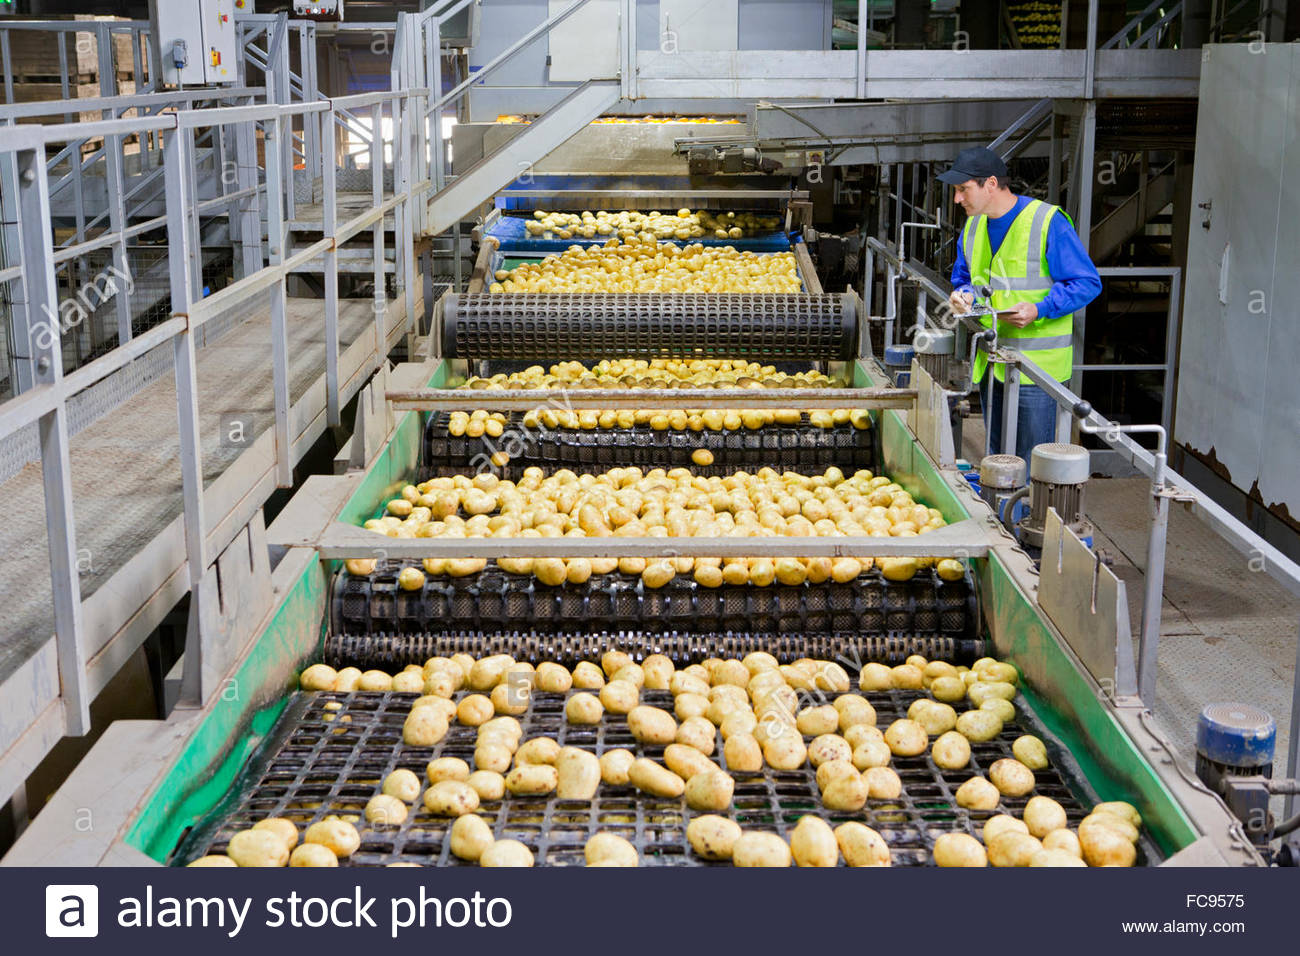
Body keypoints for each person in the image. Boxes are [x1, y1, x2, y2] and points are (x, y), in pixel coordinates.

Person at [938, 147, 1101, 461]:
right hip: (993, 365)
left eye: (963, 190)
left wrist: (1040, 309)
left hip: (1036, 372)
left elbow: (1086, 283)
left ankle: (1024, 512)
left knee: (1031, 463)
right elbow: (965, 276)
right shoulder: (972, 228)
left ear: (991, 184)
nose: (957, 199)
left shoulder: (1046, 221)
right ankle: (1001, 511)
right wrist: (963, 295)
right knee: (999, 459)